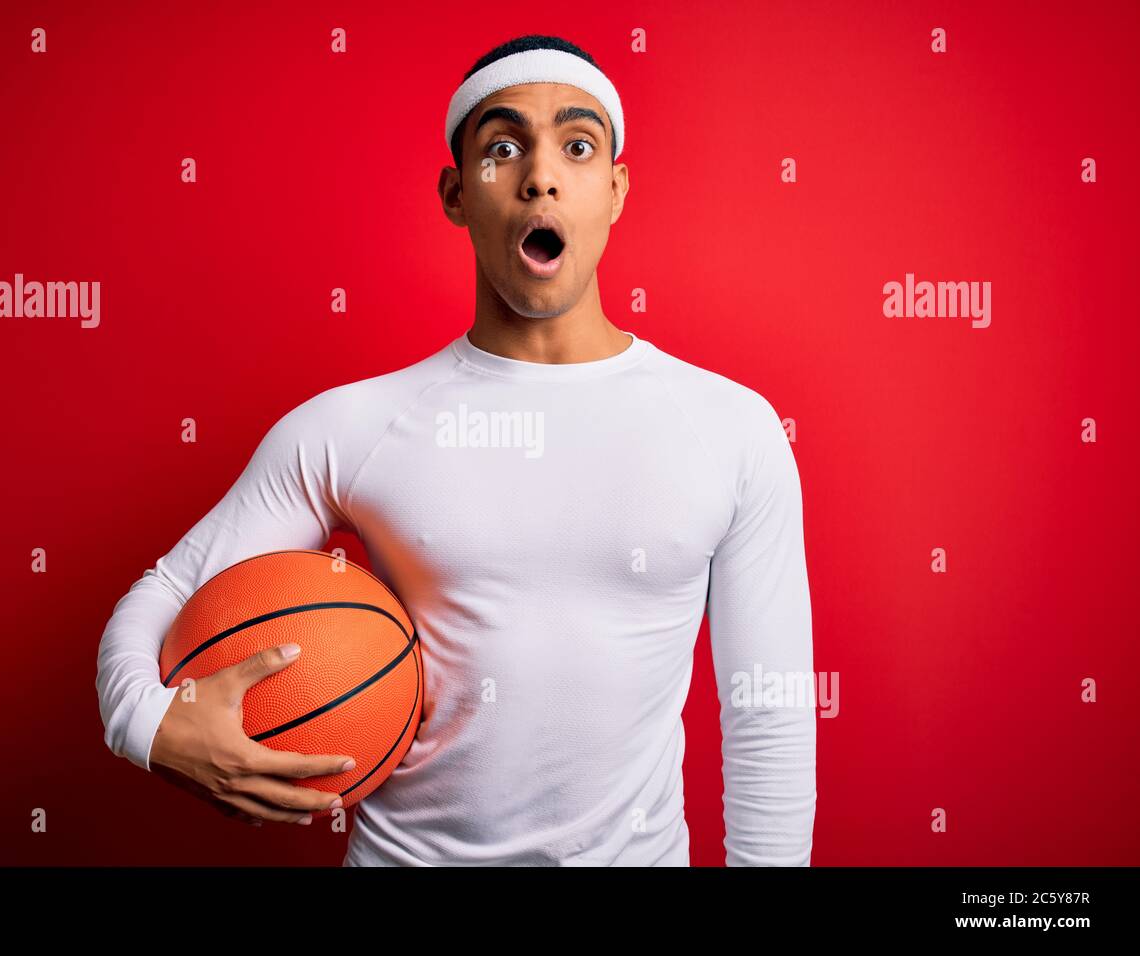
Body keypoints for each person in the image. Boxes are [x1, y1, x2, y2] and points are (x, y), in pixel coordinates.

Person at [95, 33, 816, 866]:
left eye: (576, 148)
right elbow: (169, 592)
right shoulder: (352, 427)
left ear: (614, 190)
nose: (540, 175)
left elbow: (768, 711)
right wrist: (146, 726)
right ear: (455, 193)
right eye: (502, 148)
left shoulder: (731, 427)